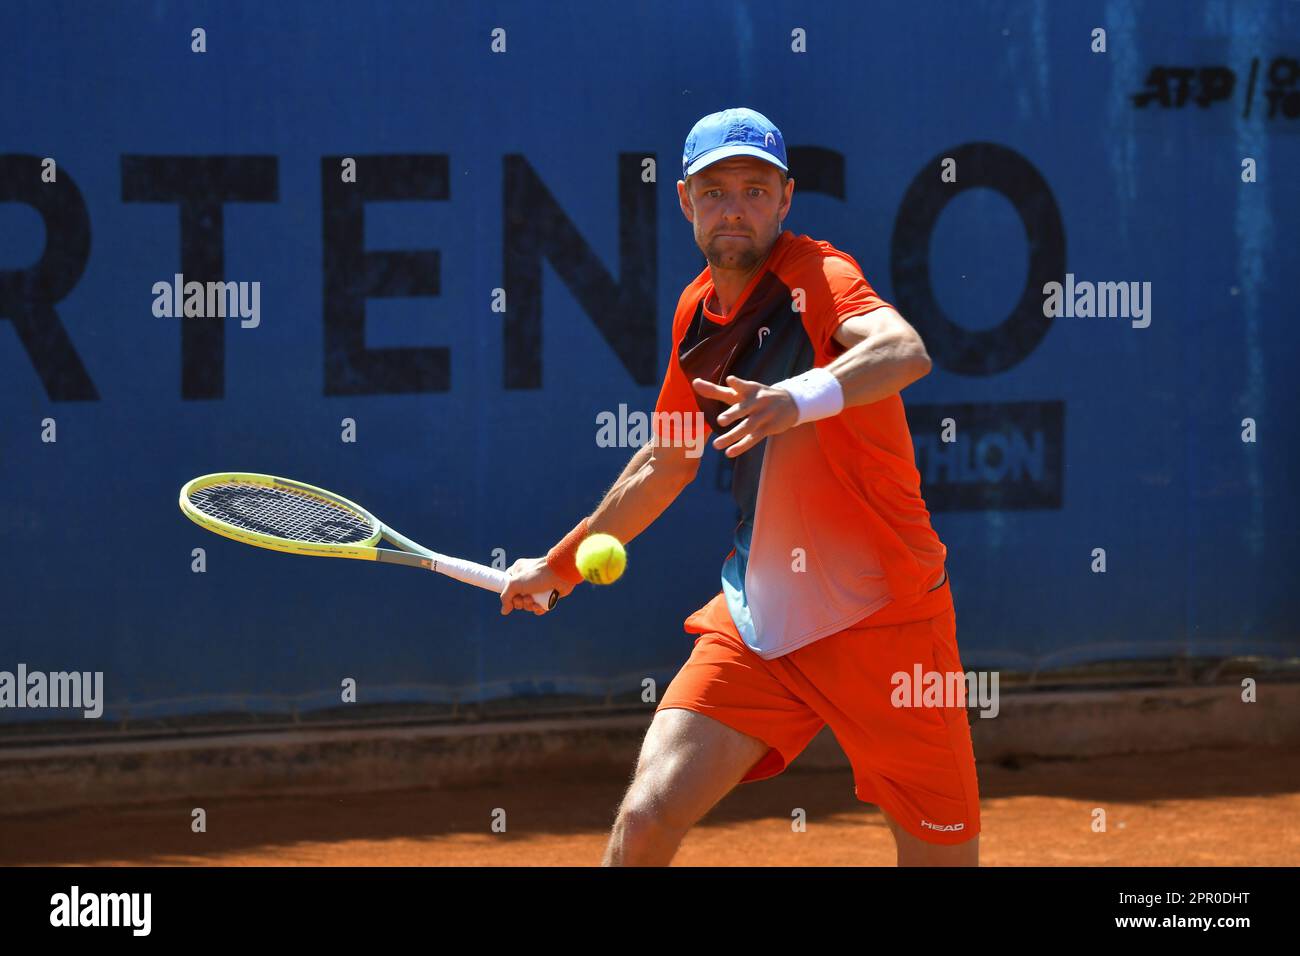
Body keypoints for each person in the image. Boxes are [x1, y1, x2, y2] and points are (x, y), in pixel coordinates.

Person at [500, 107, 979, 866]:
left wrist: (797, 398)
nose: (736, 208)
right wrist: (559, 568)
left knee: (941, 858)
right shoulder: (697, 317)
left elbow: (903, 350)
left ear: (784, 201)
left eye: (756, 190)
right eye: (717, 190)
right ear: (686, 200)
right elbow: (666, 462)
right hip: (764, 616)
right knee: (648, 817)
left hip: (887, 620)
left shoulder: (818, 277)